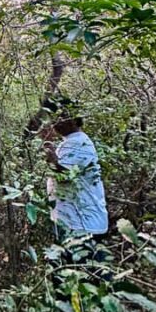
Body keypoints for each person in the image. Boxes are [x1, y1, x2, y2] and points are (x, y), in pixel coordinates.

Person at [41, 98, 108, 239]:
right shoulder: (71, 142)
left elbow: (65, 177)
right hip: (73, 223)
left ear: (72, 120)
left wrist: (51, 156)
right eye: (54, 118)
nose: (55, 123)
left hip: (82, 225)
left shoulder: (78, 143)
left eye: (60, 118)